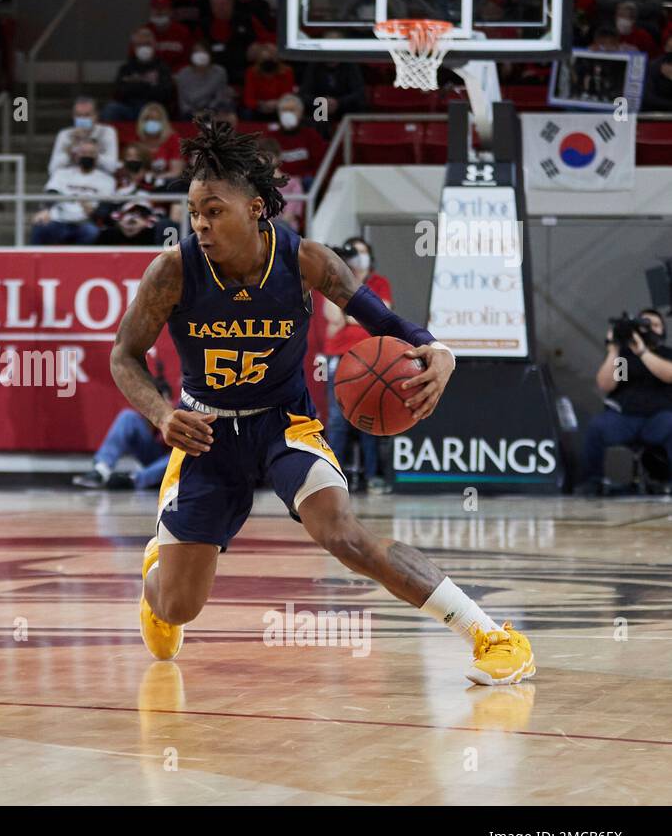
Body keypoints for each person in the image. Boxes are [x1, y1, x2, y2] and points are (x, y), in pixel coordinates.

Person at [109, 113, 533, 685]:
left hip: (285, 423)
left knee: (343, 535)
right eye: (193, 212)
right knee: (176, 610)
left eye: (214, 211)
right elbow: (123, 355)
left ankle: (491, 635)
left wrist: (438, 348)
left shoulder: (304, 260)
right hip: (206, 431)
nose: (200, 225)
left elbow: (383, 319)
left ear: (256, 208)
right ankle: (158, 564)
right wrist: (162, 413)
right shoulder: (173, 271)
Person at [320, 237, 393, 492]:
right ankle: (332, 477)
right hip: (338, 356)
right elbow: (331, 318)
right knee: (337, 418)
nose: (357, 260)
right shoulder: (334, 281)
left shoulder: (379, 283)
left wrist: (347, 314)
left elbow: (380, 316)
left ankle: (373, 475)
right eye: (353, 255)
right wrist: (358, 314)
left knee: (369, 414)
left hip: (371, 357)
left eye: (362, 255)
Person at [580, 309, 672, 495]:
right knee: (596, 427)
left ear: (663, 330)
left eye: (655, 325)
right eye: (645, 324)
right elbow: (607, 385)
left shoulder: (666, 353)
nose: (650, 329)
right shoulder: (624, 358)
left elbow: (668, 374)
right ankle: (592, 481)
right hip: (625, 417)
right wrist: (614, 351)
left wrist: (643, 352)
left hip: (659, 418)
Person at [73, 376, 173, 490]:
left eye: (162, 400)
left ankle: (133, 480)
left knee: (181, 454)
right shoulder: (145, 416)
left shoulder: (181, 411)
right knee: (128, 416)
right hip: (154, 457)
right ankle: (101, 471)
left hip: (175, 465)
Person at [31, 138, 116, 245]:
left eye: (91, 153)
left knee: (91, 232)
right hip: (59, 221)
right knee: (40, 225)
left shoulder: (107, 180)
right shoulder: (61, 173)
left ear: (97, 156)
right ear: (76, 155)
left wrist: (94, 213)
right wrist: (45, 210)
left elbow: (105, 207)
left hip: (85, 222)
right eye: (84, 152)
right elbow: (52, 192)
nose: (87, 156)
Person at [104, 28, 175, 122]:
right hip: (130, 108)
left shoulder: (162, 68)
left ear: (154, 45)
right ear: (133, 47)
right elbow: (120, 92)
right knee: (112, 109)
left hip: (154, 109)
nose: (143, 48)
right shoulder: (126, 69)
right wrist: (148, 85)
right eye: (139, 45)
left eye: (147, 44)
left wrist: (136, 84)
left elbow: (165, 93)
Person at [47, 96, 119, 177]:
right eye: (79, 115)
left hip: (99, 179)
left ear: (96, 116)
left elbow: (113, 167)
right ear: (73, 116)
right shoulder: (65, 134)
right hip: (72, 179)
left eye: (87, 115)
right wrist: (72, 149)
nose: (83, 119)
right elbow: (52, 169)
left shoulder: (107, 132)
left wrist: (92, 153)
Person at [175, 40, 235, 118]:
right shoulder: (183, 73)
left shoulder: (219, 72)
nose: (200, 55)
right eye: (196, 52)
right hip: (190, 113)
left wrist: (206, 112)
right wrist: (193, 113)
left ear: (209, 54)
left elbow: (220, 97)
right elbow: (183, 101)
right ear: (191, 55)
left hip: (213, 111)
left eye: (203, 52)